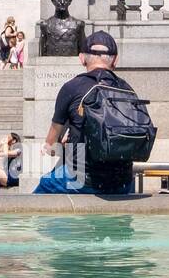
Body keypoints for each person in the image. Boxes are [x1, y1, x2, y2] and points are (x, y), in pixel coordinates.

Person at [40, 31, 142, 196]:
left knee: (42, 190)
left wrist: (61, 145)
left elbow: (50, 147)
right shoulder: (127, 89)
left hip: (82, 179)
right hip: (122, 182)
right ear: (115, 60)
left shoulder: (71, 87)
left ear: (82, 58)